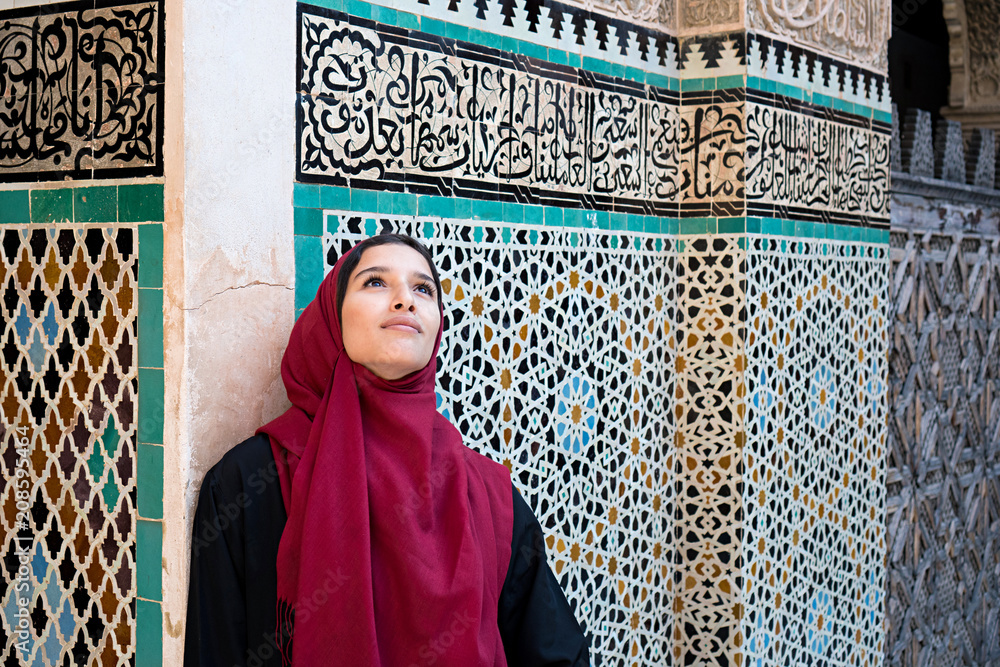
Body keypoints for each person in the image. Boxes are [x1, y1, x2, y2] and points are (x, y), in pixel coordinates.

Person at [184, 234, 589, 666]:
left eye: (423, 289)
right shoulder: (248, 484)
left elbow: (556, 653)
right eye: (375, 283)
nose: (405, 301)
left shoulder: (488, 495)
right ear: (331, 317)